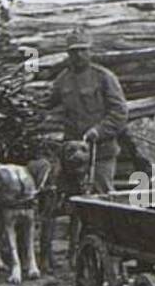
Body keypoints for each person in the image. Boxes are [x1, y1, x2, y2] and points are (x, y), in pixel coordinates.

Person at [49, 26, 128, 194]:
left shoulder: (104, 77)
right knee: (68, 197)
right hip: (71, 155)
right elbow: (47, 104)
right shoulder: (62, 80)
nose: (78, 55)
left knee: (103, 196)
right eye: (74, 52)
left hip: (100, 151)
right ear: (68, 54)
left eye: (82, 50)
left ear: (90, 51)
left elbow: (119, 113)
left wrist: (98, 131)